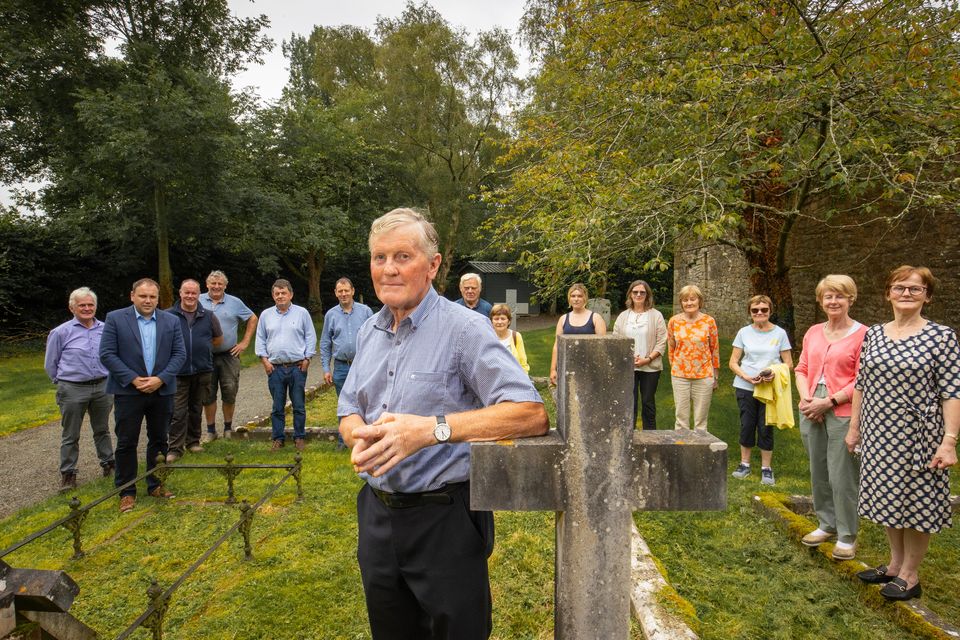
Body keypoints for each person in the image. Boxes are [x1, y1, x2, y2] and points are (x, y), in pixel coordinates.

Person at [338, 208, 548, 640]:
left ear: (432, 265)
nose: (389, 269)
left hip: (445, 519)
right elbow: (349, 408)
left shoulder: (465, 329)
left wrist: (429, 430)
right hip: (377, 515)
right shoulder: (369, 331)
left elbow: (530, 413)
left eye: (402, 256)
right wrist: (357, 435)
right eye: (380, 258)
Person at [846, 266, 960, 601]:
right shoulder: (875, 334)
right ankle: (895, 564)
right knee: (887, 497)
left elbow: (952, 392)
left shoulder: (942, 337)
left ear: (927, 296)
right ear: (888, 294)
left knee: (916, 502)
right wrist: (854, 427)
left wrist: (949, 441)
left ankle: (910, 574)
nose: (906, 293)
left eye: (915, 288)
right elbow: (862, 384)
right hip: (878, 432)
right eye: (899, 287)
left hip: (918, 436)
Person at [794, 276, 867, 560]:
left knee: (842, 474)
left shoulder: (864, 335)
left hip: (842, 409)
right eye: (828, 296)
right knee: (819, 470)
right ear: (820, 300)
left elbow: (862, 379)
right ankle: (826, 523)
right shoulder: (814, 332)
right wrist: (806, 398)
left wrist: (828, 401)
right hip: (811, 405)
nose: (833, 301)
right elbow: (801, 368)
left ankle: (847, 534)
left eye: (840, 296)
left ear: (851, 299)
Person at [100, 278, 186, 513]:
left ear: (158, 299)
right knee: (127, 441)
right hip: (129, 391)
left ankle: (156, 484)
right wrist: (132, 378)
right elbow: (107, 354)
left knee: (159, 439)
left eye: (152, 297)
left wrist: (161, 378)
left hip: (161, 390)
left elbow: (179, 354)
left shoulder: (171, 320)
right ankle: (126, 491)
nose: (148, 301)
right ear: (132, 296)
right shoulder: (116, 319)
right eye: (143, 296)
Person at [44, 287, 115, 491]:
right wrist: (63, 383)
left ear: (96, 307)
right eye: (82, 305)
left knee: (102, 429)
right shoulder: (60, 332)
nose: (87, 308)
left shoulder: (106, 329)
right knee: (71, 433)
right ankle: (68, 474)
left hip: (102, 386)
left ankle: (109, 464)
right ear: (72, 308)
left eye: (90, 305)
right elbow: (50, 363)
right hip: (73, 388)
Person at [729, 295, 793, 487]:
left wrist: (774, 372)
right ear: (750, 312)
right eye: (755, 310)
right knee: (747, 425)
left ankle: (766, 468)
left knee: (766, 427)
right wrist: (746, 377)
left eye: (764, 310)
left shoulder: (780, 333)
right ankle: (744, 464)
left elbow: (789, 363)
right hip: (745, 386)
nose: (759, 313)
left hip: (769, 388)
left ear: (770, 311)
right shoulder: (743, 332)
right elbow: (733, 362)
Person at [255, 278, 317, 452]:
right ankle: (278, 438)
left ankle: (299, 437)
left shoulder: (302, 313)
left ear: (291, 294)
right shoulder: (266, 315)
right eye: (277, 293)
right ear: (273, 296)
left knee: (299, 405)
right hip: (275, 368)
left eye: (283, 293)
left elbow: (310, 336)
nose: (280, 296)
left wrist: (307, 359)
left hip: (297, 367)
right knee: (277, 407)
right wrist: (265, 361)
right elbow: (260, 339)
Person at [166, 279, 223, 462]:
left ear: (199, 295)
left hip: (202, 370)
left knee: (196, 408)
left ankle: (193, 442)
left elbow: (218, 339)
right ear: (180, 293)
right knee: (177, 412)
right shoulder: (168, 315)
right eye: (187, 292)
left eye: (194, 293)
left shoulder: (208, 316)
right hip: (177, 372)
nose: (190, 296)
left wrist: (201, 349)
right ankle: (175, 448)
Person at [199, 270, 258, 441]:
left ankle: (227, 428)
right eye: (213, 283)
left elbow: (253, 318)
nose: (216, 286)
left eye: (220, 284)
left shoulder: (234, 302)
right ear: (207, 284)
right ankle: (211, 431)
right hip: (205, 355)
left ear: (225, 286)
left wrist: (245, 342)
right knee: (207, 393)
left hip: (229, 355)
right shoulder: (198, 300)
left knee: (230, 390)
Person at [321, 277, 374, 449]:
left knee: (366, 402)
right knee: (344, 404)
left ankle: (367, 437)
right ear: (336, 293)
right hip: (341, 366)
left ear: (352, 291)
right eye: (340, 291)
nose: (343, 294)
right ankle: (343, 440)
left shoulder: (366, 312)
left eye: (346, 290)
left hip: (363, 365)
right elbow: (325, 343)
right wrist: (325, 368)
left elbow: (376, 338)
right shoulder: (331, 315)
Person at [612, 280, 667, 429]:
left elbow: (662, 341)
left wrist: (648, 359)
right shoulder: (623, 316)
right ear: (630, 294)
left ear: (647, 295)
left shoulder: (656, 315)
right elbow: (616, 339)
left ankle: (650, 436)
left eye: (642, 292)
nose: (638, 295)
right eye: (635, 292)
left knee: (648, 403)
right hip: (628, 366)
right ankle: (629, 435)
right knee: (630, 403)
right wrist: (628, 358)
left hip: (650, 367)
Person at [667, 285, 719, 431]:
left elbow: (714, 349)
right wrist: (675, 367)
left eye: (692, 299)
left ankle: (700, 446)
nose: (689, 303)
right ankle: (681, 445)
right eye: (685, 300)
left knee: (700, 422)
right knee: (681, 420)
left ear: (699, 301)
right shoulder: (674, 321)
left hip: (704, 375)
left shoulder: (709, 321)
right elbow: (671, 348)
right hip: (680, 376)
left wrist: (715, 376)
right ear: (681, 302)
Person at [549, 283, 607, 386]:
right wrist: (553, 369)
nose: (576, 299)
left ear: (585, 298)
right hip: (567, 367)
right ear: (569, 298)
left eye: (580, 296)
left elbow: (602, 346)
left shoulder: (596, 318)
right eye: (573, 296)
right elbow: (557, 346)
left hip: (590, 368)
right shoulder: (563, 319)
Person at [489, 303, 530, 373]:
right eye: (496, 319)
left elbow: (523, 363)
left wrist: (523, 377)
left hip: (514, 377)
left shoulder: (516, 336)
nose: (499, 322)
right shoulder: (488, 337)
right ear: (491, 321)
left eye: (503, 319)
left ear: (509, 321)